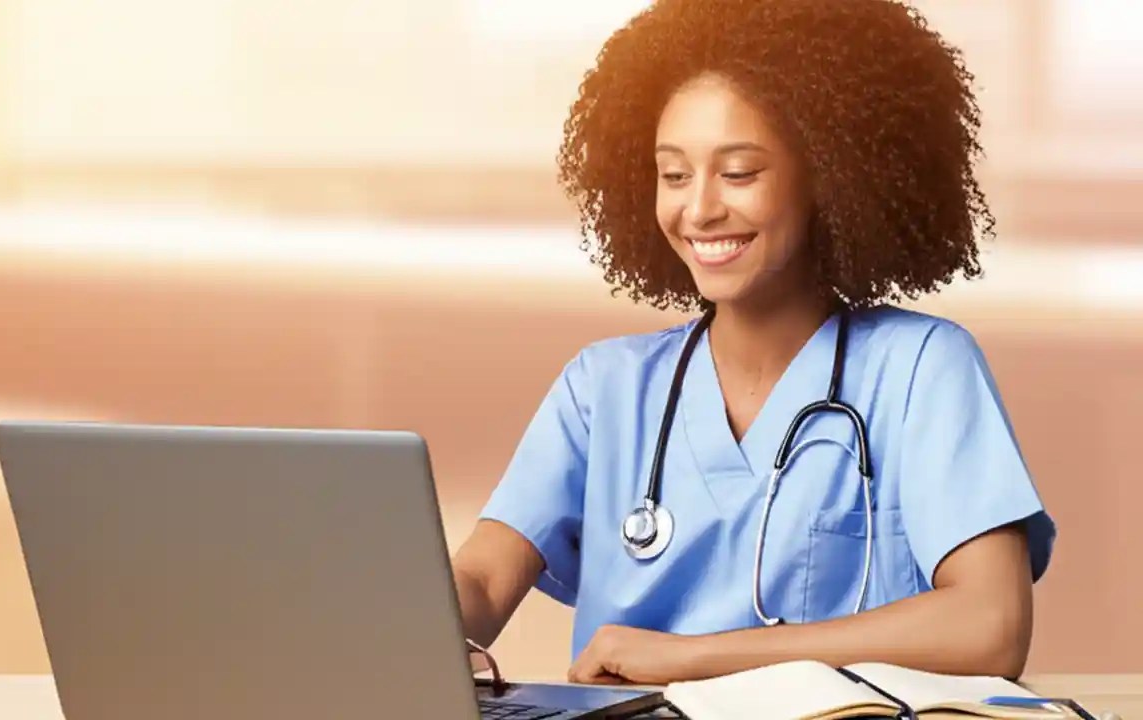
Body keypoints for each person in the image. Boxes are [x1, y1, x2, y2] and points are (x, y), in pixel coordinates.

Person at [449, 0, 1057, 687]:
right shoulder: (604, 388)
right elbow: (481, 576)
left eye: (738, 172)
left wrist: (687, 661)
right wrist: (409, 621)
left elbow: (991, 625)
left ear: (828, 175)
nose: (700, 208)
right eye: (674, 175)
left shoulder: (920, 371)